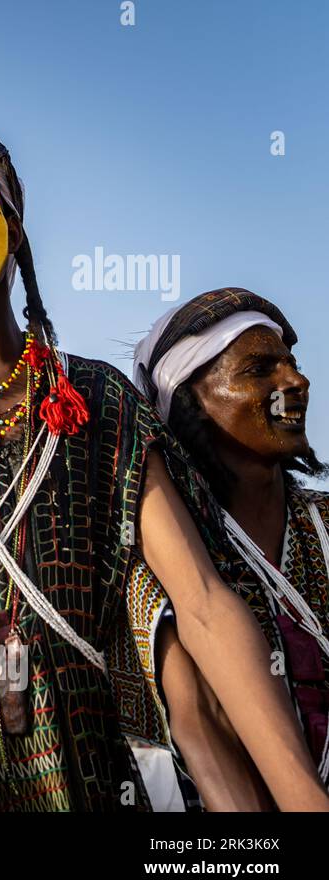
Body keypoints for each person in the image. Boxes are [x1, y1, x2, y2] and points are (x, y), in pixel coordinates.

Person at [0, 81, 329, 811]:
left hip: (96, 777)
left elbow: (200, 599)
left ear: (16, 227)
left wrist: (303, 802)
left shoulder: (96, 399)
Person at [130, 288, 329, 805]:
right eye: (260, 369)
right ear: (191, 399)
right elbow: (199, 730)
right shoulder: (167, 561)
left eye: (292, 363)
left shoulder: (325, 522)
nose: (296, 382)